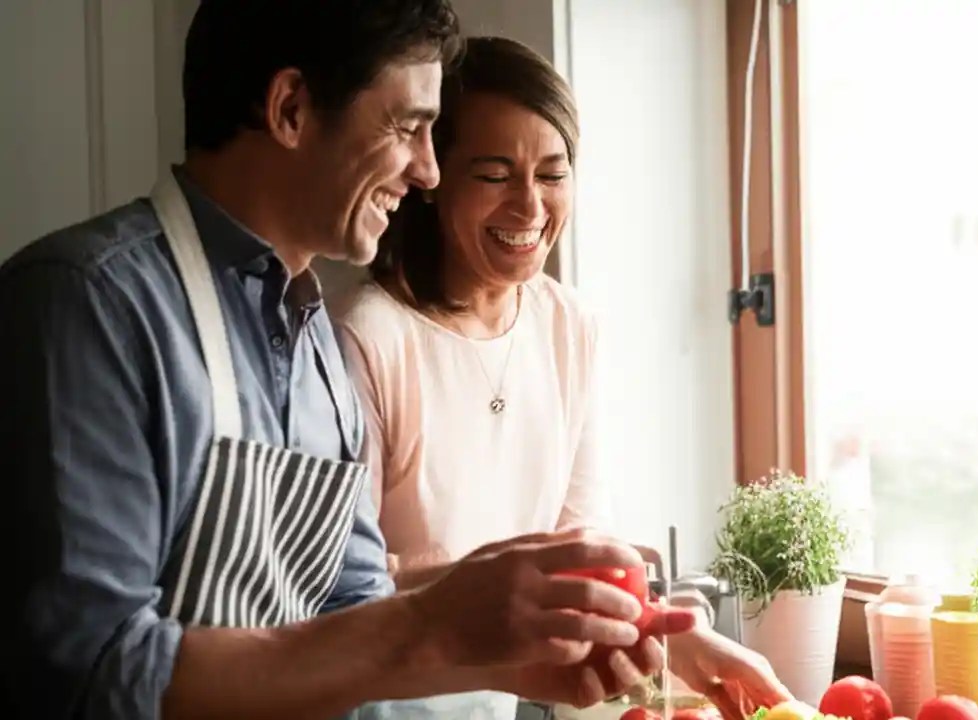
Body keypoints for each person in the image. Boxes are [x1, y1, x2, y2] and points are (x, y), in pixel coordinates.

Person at [0, 4, 695, 719]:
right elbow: (87, 671)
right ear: (291, 108)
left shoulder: (310, 340)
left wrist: (509, 655)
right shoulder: (88, 304)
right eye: (407, 127)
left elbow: (350, 610)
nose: (427, 171)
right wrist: (433, 626)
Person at [335, 36, 791, 720]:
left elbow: (579, 542)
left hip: (507, 704)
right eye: (493, 175)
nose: (529, 206)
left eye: (552, 174)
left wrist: (681, 639)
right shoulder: (363, 336)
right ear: (433, 179)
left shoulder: (567, 323)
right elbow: (343, 589)